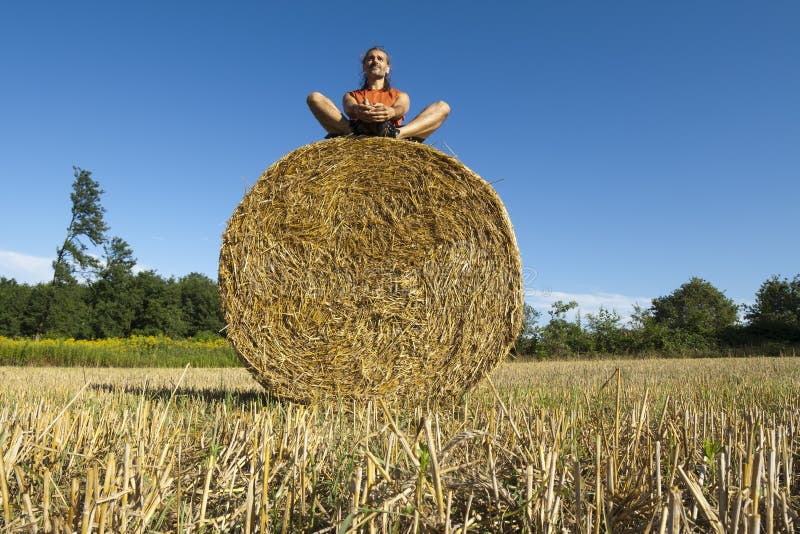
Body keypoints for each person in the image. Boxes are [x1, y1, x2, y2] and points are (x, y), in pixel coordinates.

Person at [307, 46, 450, 142]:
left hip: (392, 131)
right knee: (314, 97)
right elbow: (348, 107)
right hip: (357, 128)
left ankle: (397, 135)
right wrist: (358, 110)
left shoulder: (400, 95)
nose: (375, 61)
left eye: (380, 59)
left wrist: (390, 112)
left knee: (443, 107)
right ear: (364, 67)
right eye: (371, 58)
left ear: (387, 68)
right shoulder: (351, 95)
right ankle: (352, 132)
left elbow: (402, 108)